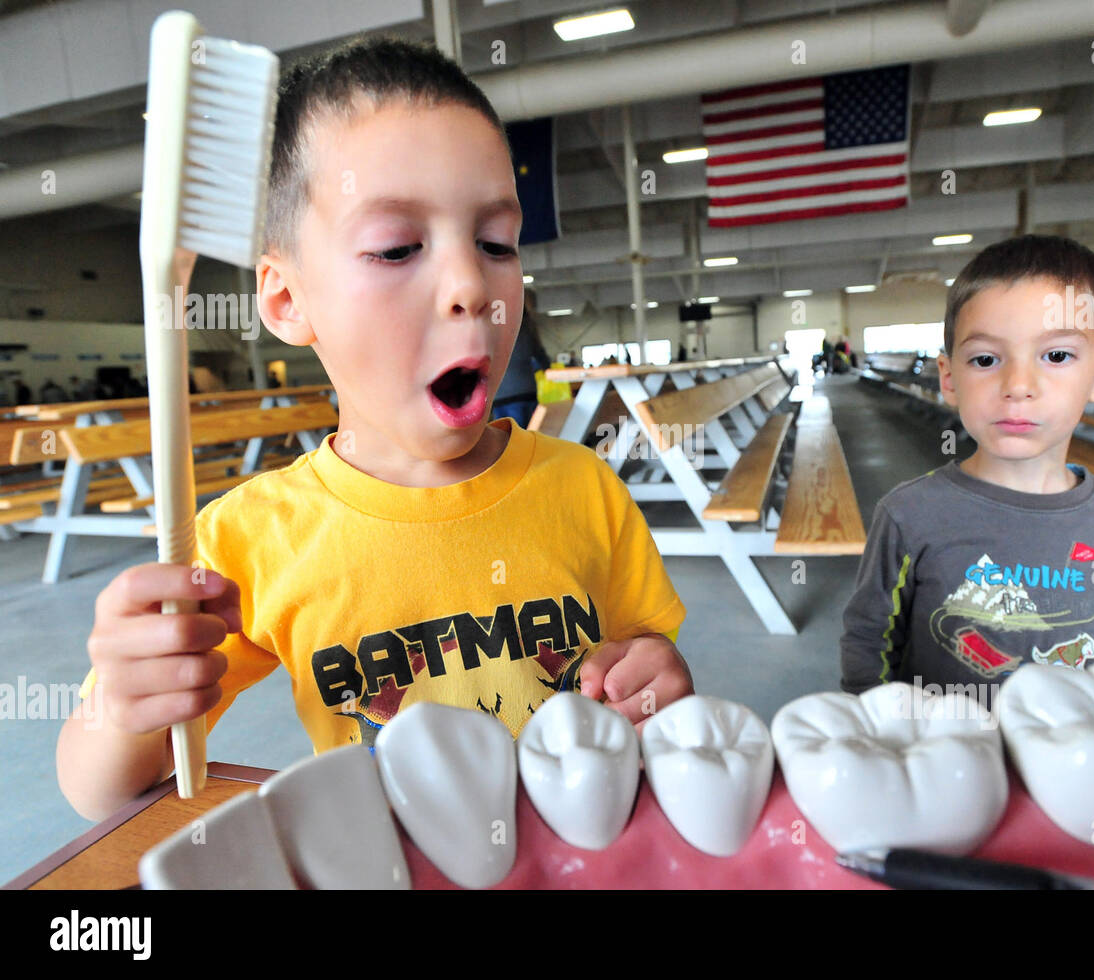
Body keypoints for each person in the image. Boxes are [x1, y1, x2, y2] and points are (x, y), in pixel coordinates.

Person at [57, 35, 691, 821]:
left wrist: (657, 681)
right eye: (396, 248)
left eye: (496, 243)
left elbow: (650, 672)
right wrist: (122, 706)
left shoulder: (584, 490)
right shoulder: (247, 544)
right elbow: (97, 793)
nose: (469, 284)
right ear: (287, 301)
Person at [840, 234, 1094, 694]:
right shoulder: (908, 515)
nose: (1018, 385)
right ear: (949, 379)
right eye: (985, 359)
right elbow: (870, 642)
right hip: (938, 755)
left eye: (1057, 355)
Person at [491, 288, 548, 428]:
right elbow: (541, 357)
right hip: (526, 390)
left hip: (500, 393)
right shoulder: (527, 327)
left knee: (507, 440)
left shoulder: (491, 328)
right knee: (529, 437)